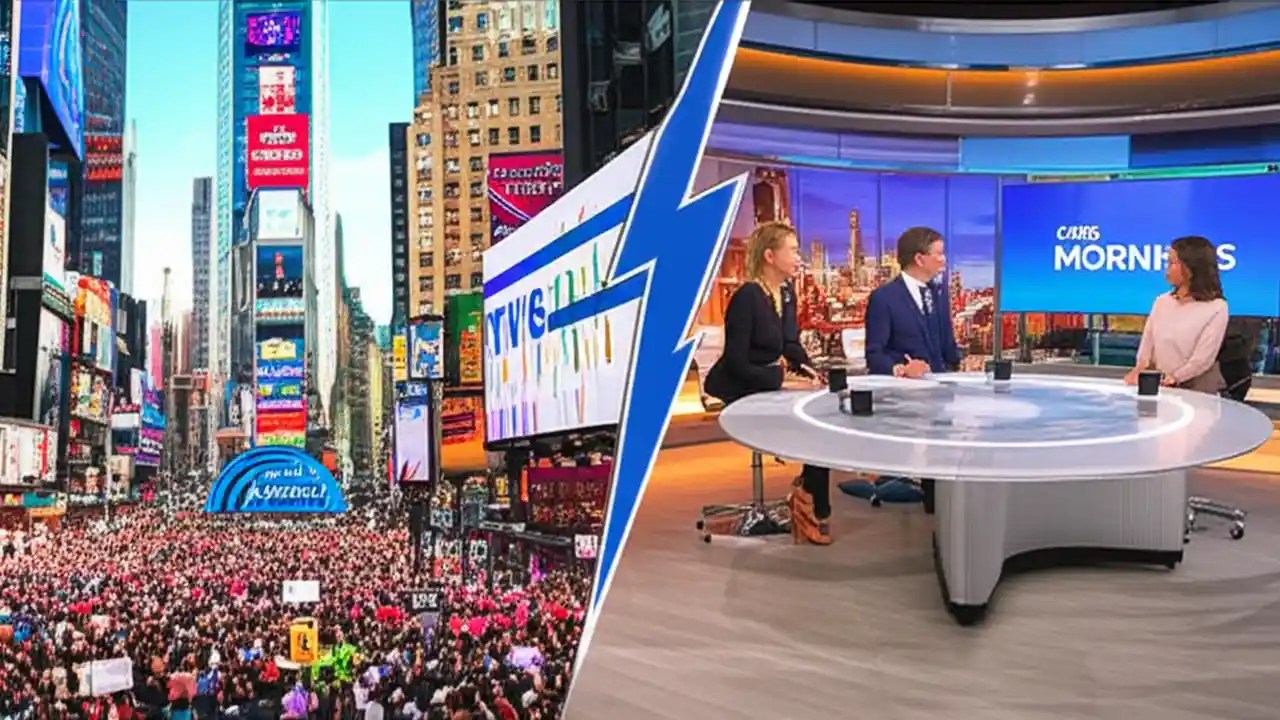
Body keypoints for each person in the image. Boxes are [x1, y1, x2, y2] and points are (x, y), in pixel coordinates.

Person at [704, 221, 831, 544]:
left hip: (767, 382)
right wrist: (781, 381)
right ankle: (809, 508)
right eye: (793, 250)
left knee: (819, 416)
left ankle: (810, 503)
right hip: (740, 386)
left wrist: (809, 370)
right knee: (809, 427)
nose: (798, 256)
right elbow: (736, 360)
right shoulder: (747, 297)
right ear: (770, 256)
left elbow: (790, 343)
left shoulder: (785, 293)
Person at [864, 226, 963, 514]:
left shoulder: (939, 293)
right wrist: (902, 369)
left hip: (943, 390)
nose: (944, 260)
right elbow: (875, 354)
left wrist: (959, 366)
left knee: (944, 454)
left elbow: (946, 341)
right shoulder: (884, 298)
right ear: (920, 258)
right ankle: (932, 508)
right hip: (909, 395)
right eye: (939, 254)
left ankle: (942, 509)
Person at [1124, 235, 1229, 393]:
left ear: (1191, 267)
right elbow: (1147, 347)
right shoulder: (1161, 302)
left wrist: (1174, 378)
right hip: (1159, 386)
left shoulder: (1217, 308)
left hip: (1197, 391)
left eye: (1172, 263)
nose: (1167, 269)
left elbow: (1203, 359)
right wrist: (1140, 369)